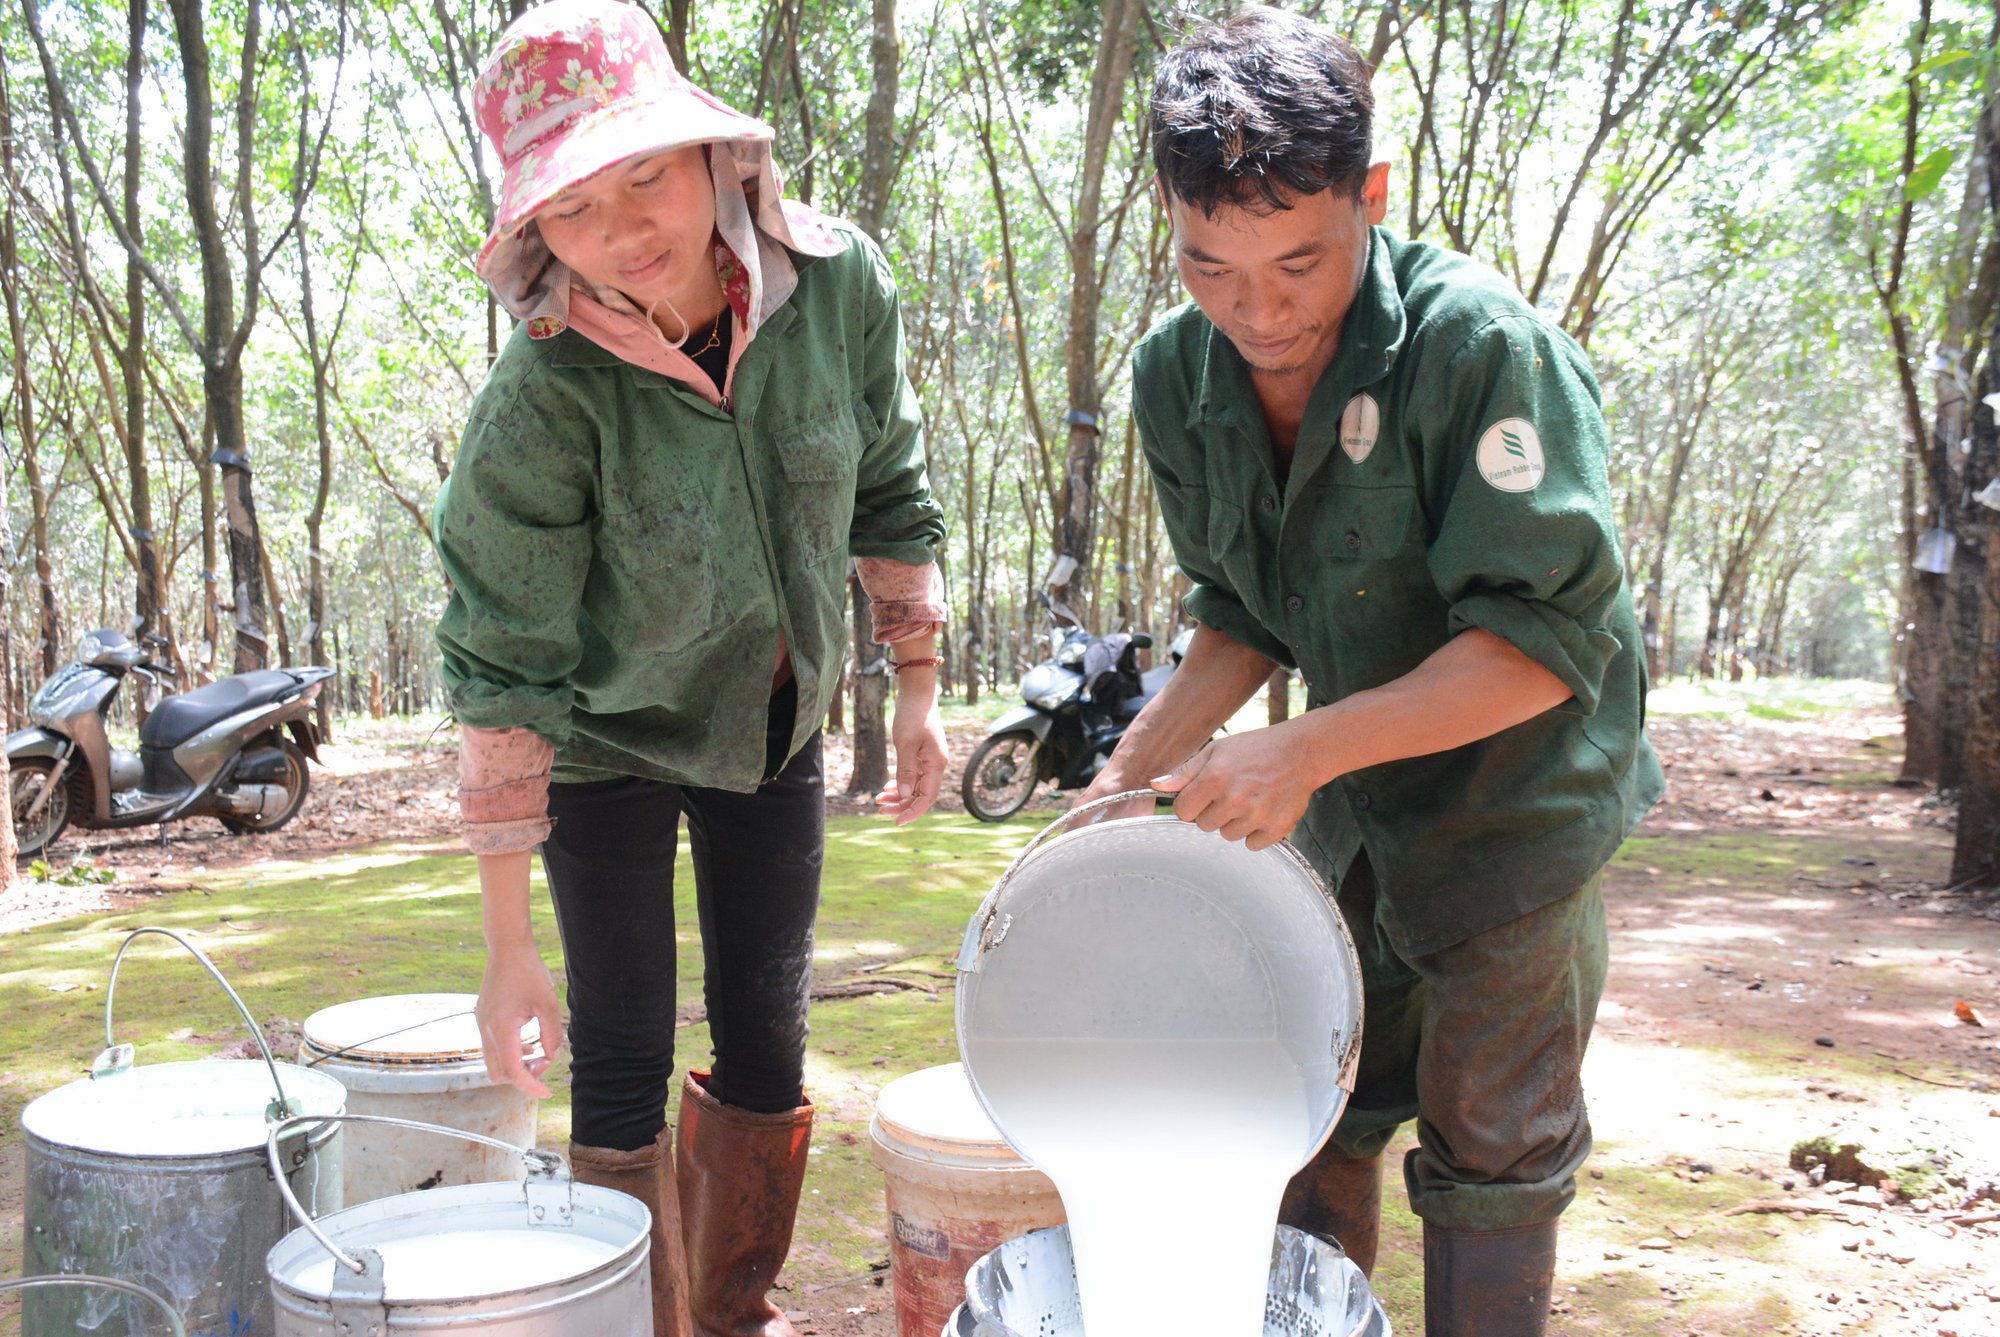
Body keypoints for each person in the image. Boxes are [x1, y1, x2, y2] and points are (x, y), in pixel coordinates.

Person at [1078, 10, 1665, 1335]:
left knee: (1492, 1149)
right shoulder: (1179, 378)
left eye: (1300, 261)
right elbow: (1242, 607)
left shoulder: (1481, 353)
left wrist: (1298, 750)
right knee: (1299, 1109)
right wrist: (1132, 771)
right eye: (1209, 266)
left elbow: (1543, 646)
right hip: (1350, 815)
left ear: (1373, 197)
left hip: (1518, 810)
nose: (1258, 311)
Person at [431, 4, 949, 1334]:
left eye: (645, 173)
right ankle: (632, 1317)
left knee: (769, 1039)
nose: (623, 229)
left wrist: (921, 686)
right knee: (618, 1053)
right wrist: (505, 951)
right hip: (604, 745)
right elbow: (504, 666)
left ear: (715, 154)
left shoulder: (841, 290)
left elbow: (890, 488)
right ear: (534, 232)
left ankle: (728, 1308)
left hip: (771, 727)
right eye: (575, 206)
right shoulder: (541, 404)